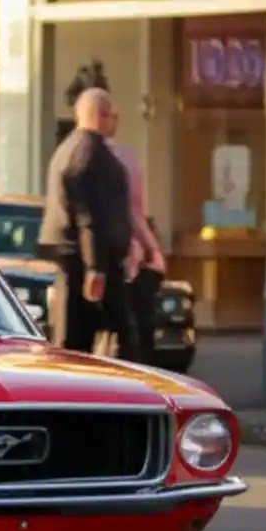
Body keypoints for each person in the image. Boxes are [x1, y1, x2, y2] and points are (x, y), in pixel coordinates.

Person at [37, 87, 140, 361]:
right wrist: (95, 267)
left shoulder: (70, 149)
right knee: (98, 339)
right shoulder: (89, 155)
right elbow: (89, 216)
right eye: (113, 115)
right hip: (86, 263)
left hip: (84, 260)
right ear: (102, 116)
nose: (116, 122)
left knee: (87, 337)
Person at [101, 104, 166, 364]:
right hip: (123, 257)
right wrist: (151, 249)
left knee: (123, 329)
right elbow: (134, 211)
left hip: (121, 257)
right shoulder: (122, 158)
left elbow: (135, 211)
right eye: (112, 116)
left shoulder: (114, 156)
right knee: (133, 330)